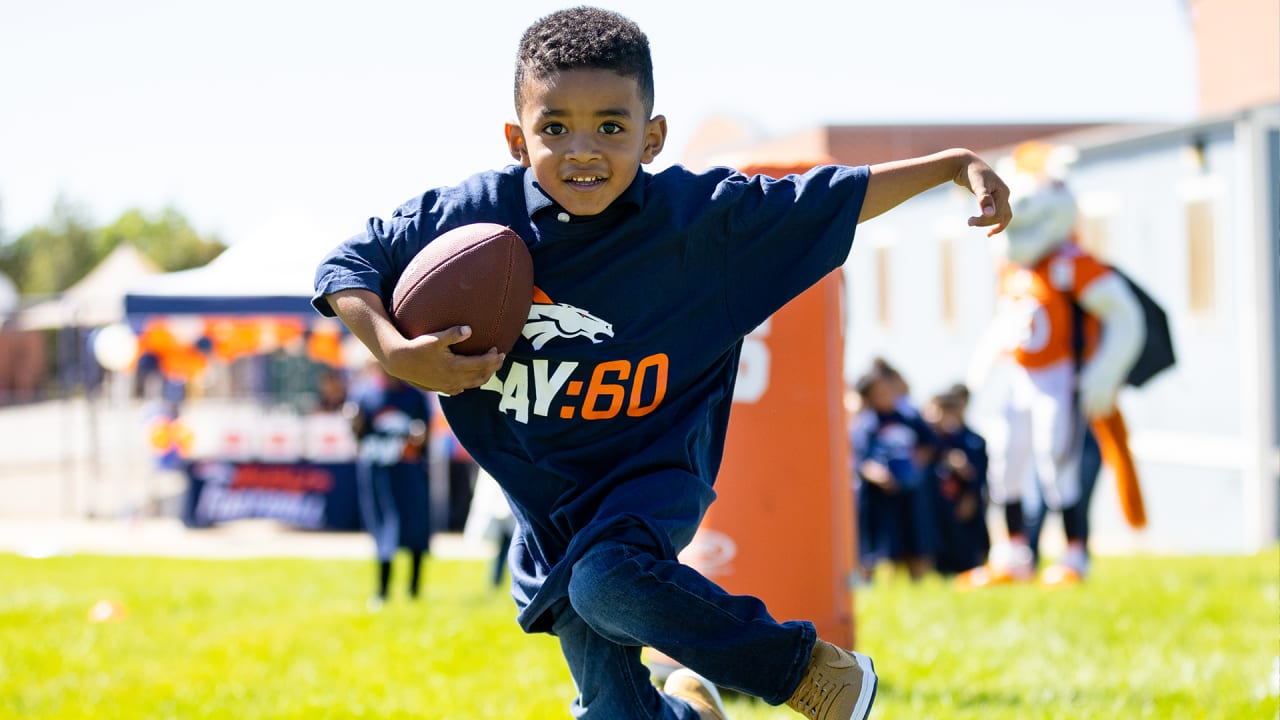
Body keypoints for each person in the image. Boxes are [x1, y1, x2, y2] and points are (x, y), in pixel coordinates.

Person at [312, 7, 1011, 718]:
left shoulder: (698, 222)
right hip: (546, 497)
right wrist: (395, 350)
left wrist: (954, 166)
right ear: (516, 139)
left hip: (654, 473)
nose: (582, 149)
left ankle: (805, 670)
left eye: (611, 127)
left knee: (606, 582)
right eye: (555, 128)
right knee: (614, 710)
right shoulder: (470, 219)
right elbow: (346, 266)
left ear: (653, 137)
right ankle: (694, 710)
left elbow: (833, 197)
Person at [960, 141, 1144, 589]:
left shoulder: (1073, 264)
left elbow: (1125, 317)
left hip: (1060, 376)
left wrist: (1104, 373)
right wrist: (984, 363)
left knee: (1055, 463)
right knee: (1006, 462)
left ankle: (1075, 555)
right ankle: (1014, 553)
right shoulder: (1013, 267)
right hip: (1019, 375)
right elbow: (1009, 321)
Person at [348, 361, 433, 610]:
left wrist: (418, 439)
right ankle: (383, 591)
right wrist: (355, 422)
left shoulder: (414, 396)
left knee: (415, 527)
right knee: (383, 529)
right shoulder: (364, 394)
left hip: (408, 473)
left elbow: (424, 435)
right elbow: (358, 434)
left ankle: (414, 589)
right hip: (379, 473)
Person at [850, 367, 940, 582]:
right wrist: (876, 473)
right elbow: (859, 458)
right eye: (879, 392)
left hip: (909, 492)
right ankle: (869, 580)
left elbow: (931, 445)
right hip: (878, 496)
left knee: (914, 537)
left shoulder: (908, 418)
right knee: (878, 543)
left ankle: (916, 578)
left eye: (887, 390)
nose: (885, 395)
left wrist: (918, 461)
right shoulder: (866, 423)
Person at [922, 385, 990, 576]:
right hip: (938, 507)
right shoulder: (931, 440)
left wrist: (970, 497)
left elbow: (977, 475)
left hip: (963, 504)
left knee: (966, 547)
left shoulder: (972, 440)